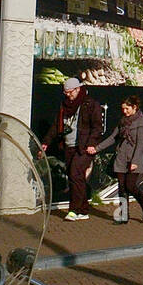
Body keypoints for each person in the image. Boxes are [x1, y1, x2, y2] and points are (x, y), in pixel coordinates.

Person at [41, 77, 105, 220]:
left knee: (75, 174)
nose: (68, 95)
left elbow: (97, 127)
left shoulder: (90, 104)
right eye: (66, 93)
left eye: (70, 92)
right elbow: (56, 125)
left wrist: (91, 143)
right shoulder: (64, 106)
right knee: (75, 177)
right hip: (69, 146)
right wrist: (46, 142)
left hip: (83, 147)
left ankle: (74, 210)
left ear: (77, 89)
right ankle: (83, 210)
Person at [95, 95, 143, 224]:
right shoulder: (123, 121)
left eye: (127, 109)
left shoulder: (142, 122)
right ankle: (124, 215)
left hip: (133, 158)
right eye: (123, 109)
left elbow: (140, 144)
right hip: (121, 157)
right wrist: (97, 149)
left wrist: (135, 161)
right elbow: (113, 138)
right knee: (122, 187)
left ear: (134, 108)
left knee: (130, 186)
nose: (124, 111)